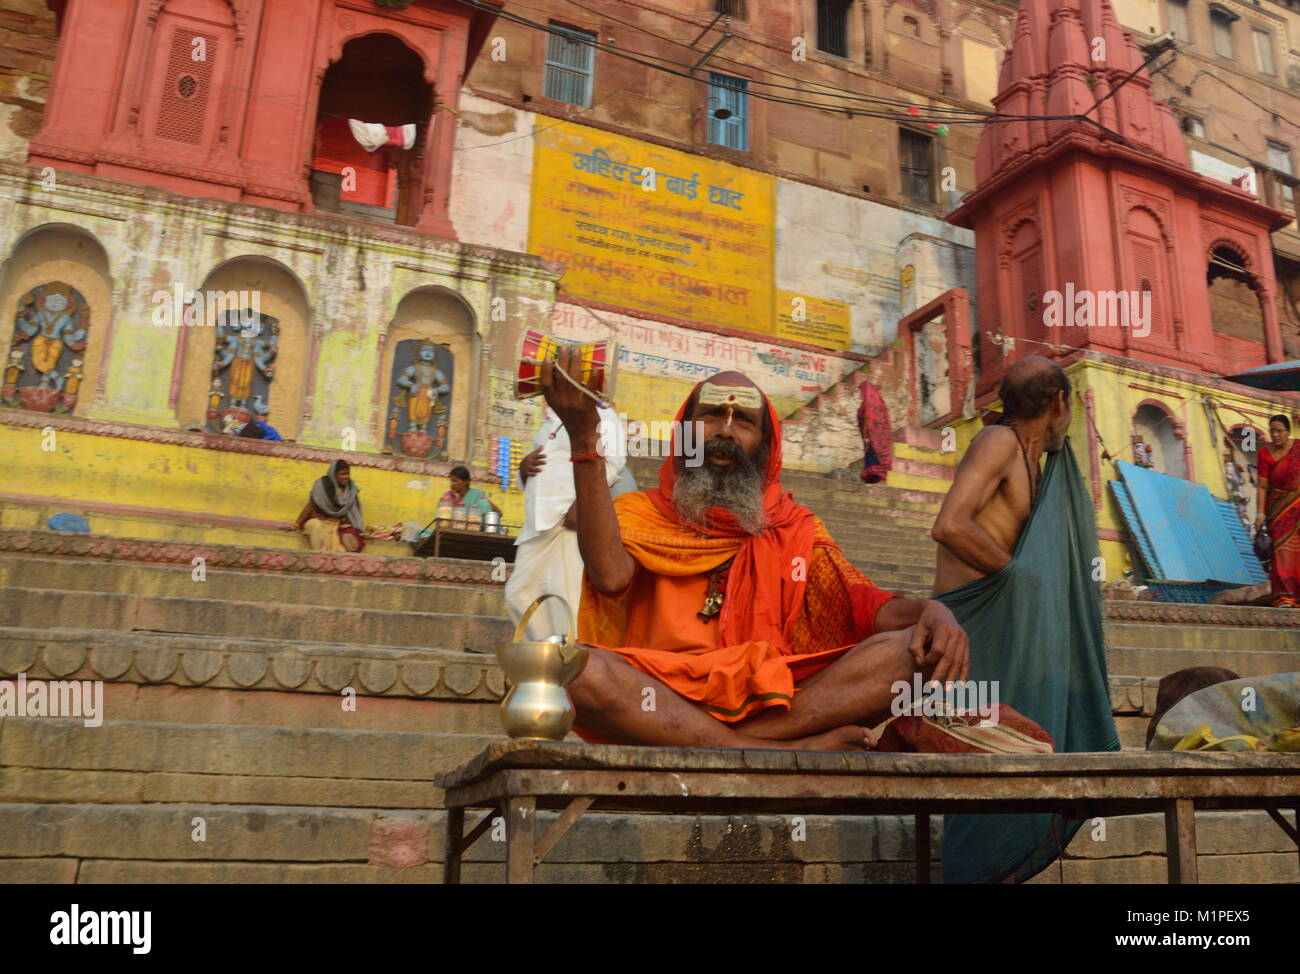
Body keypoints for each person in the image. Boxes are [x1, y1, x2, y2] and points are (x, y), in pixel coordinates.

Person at [539, 345, 970, 752]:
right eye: (710, 416)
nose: (725, 431)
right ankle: (766, 749)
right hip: (662, 695)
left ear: (766, 444)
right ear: (684, 431)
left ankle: (739, 742)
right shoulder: (640, 511)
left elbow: (863, 605)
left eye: (744, 421)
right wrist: (584, 442)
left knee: (912, 653)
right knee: (577, 671)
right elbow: (610, 577)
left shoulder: (794, 526)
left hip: (773, 700)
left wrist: (933, 613)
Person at [929, 355, 1118, 883]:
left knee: (1026, 761)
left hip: (1010, 631)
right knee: (990, 775)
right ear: (1058, 404)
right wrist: (1019, 575)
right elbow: (949, 524)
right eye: (1069, 410)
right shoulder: (998, 442)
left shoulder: (1036, 458)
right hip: (973, 632)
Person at [505, 403, 628, 640]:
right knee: (519, 594)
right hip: (537, 523)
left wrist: (584, 503)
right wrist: (523, 470)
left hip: (570, 520)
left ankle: (570, 660)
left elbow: (614, 461)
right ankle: (544, 656)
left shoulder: (602, 413)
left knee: (567, 597)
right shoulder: (553, 417)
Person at [1254, 414, 1300, 608]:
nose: (1275, 435)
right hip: (1277, 511)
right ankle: (1284, 596)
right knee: (1281, 552)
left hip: (1297, 507)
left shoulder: (1298, 448)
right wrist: (1259, 514)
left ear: (1288, 432)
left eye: (1279, 431)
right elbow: (1262, 486)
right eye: (1272, 430)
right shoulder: (1265, 453)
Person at [289, 460, 368, 552]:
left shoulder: (351, 489)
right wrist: (297, 524)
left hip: (337, 524)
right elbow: (310, 505)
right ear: (334, 475)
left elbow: (355, 514)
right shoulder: (322, 485)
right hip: (319, 520)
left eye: (347, 474)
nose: (346, 477)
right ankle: (318, 558)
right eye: (342, 474)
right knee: (316, 527)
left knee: (350, 541)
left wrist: (359, 529)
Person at [857, 379, 894, 484]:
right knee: (872, 454)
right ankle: (873, 476)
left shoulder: (868, 404)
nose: (860, 394)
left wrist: (866, 435)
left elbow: (868, 419)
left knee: (872, 453)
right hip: (877, 434)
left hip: (870, 434)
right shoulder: (877, 403)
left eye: (861, 391)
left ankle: (873, 476)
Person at [437, 466, 502, 522]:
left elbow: (499, 513)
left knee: (483, 502)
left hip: (474, 531)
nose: (452, 484)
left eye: (455, 481)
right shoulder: (448, 495)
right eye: (451, 480)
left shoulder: (477, 494)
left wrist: (486, 501)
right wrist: (454, 501)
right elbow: (444, 517)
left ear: (466, 482)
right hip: (452, 530)